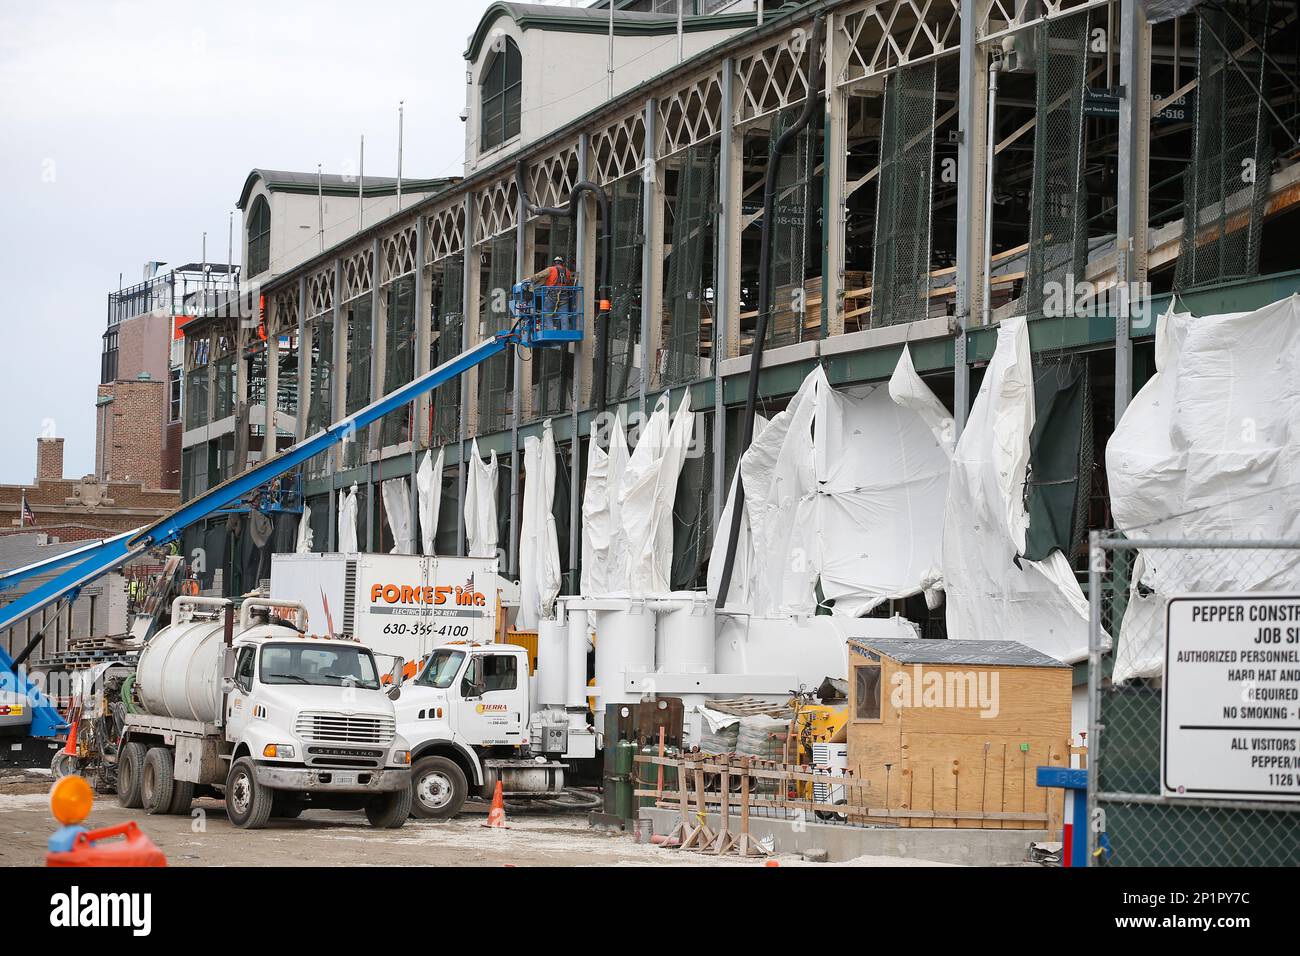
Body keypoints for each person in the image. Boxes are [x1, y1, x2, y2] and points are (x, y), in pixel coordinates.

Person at [524, 256, 576, 330]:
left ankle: (550, 329)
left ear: (554, 263)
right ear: (562, 263)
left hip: (552, 294)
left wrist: (530, 279)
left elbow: (539, 275)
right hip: (564, 295)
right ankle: (565, 330)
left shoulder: (551, 269)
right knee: (564, 314)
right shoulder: (567, 272)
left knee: (546, 311)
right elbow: (570, 284)